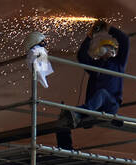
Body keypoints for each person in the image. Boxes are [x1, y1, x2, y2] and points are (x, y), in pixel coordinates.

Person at [55, 20, 130, 150]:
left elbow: (125, 40)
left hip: (110, 105)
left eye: (111, 48)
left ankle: (80, 113)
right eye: (106, 47)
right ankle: (70, 131)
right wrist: (90, 36)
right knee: (66, 116)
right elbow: (82, 57)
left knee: (102, 93)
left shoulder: (118, 64)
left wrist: (109, 28)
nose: (109, 50)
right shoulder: (96, 67)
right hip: (95, 106)